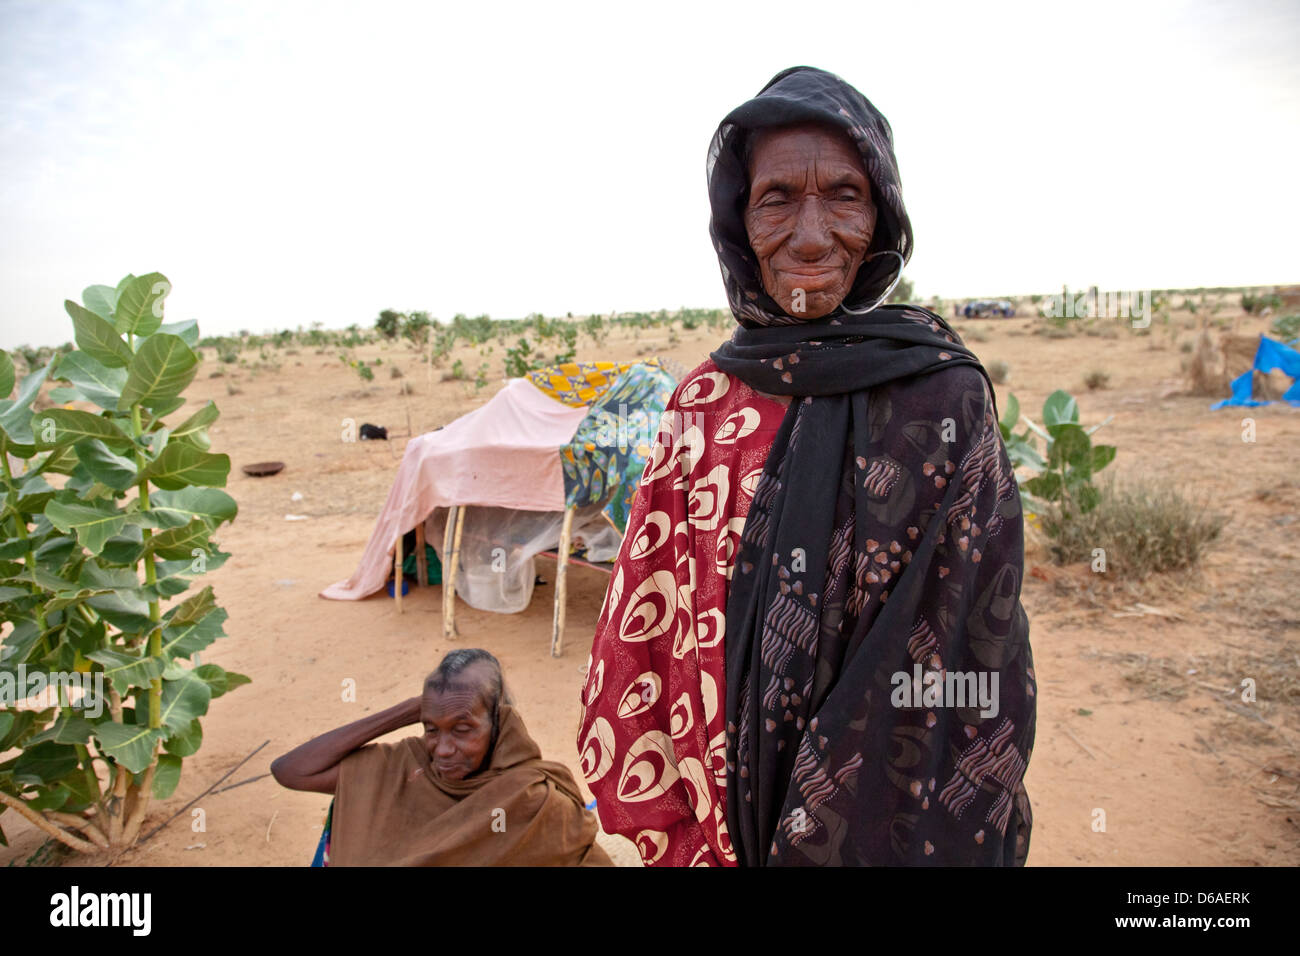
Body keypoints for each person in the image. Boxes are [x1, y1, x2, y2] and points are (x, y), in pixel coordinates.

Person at [576, 66, 1035, 866]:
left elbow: (969, 656)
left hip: (891, 822)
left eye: (845, 196)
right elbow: (651, 623)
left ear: (882, 214)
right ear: (737, 221)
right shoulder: (704, 402)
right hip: (722, 823)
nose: (813, 235)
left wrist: (822, 814)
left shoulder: (945, 398)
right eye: (777, 197)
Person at [273, 648, 613, 866]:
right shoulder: (406, 765)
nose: (444, 749)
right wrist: (408, 711)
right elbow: (291, 771)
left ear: (500, 721)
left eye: (463, 729)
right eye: (431, 729)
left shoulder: (536, 798)